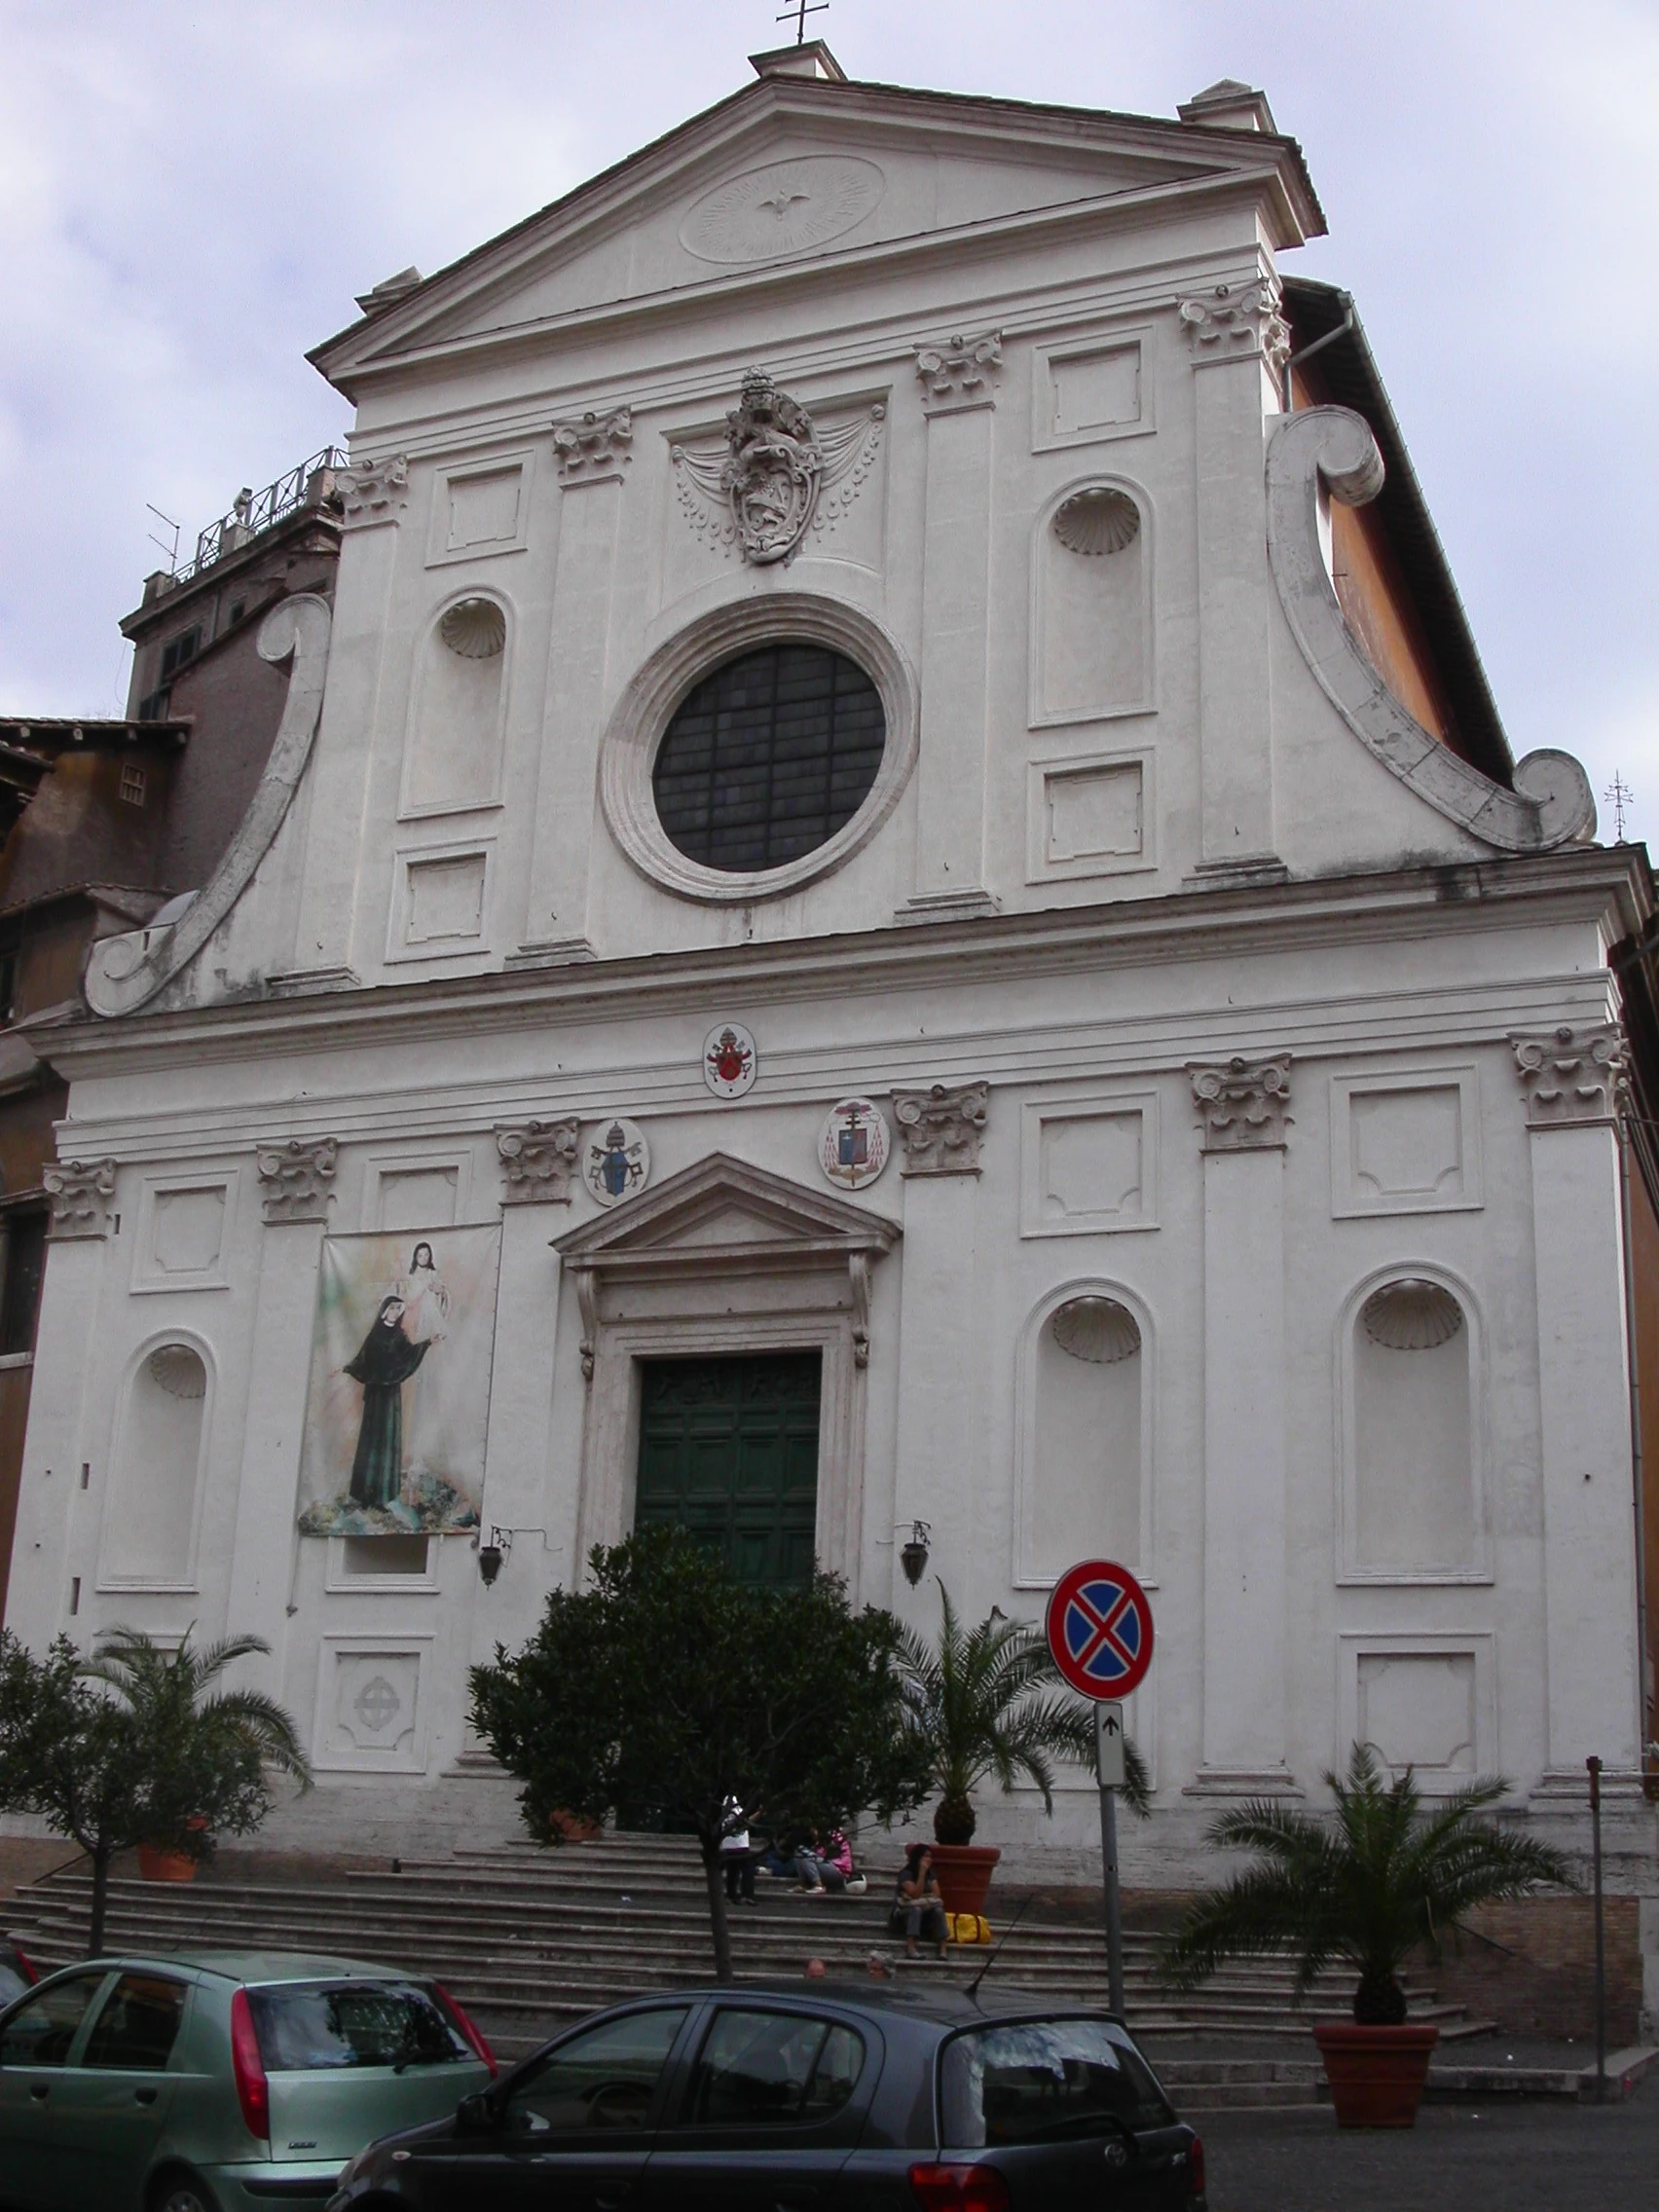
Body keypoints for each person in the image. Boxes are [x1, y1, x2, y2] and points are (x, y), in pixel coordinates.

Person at [344, 1296, 429, 1509]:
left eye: (398, 1310)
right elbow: (363, 1360)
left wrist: (426, 1343)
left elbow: (408, 1355)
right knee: (372, 1441)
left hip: (391, 1395)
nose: (395, 1313)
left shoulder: (399, 1335)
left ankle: (384, 1494)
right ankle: (364, 1494)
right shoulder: (374, 1336)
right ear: (385, 1310)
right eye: (392, 1308)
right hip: (375, 1396)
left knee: (388, 1439)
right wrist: (349, 1368)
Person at [890, 1842, 949, 1959]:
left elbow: (937, 1895)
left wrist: (922, 1895)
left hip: (925, 1914)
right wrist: (921, 1874)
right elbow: (916, 1894)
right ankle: (911, 1948)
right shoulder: (906, 1874)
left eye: (930, 1857)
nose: (928, 1860)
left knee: (938, 1910)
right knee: (916, 1909)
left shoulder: (930, 1874)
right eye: (925, 1856)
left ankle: (943, 1948)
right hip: (904, 1915)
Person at [393, 1240, 451, 1346]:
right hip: (413, 1313)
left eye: (426, 1254)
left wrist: (439, 1291)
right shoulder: (410, 1277)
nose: (424, 1258)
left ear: (430, 1256)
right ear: (416, 1257)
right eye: (420, 1255)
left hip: (430, 1315)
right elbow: (403, 1295)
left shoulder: (433, 1274)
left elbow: (443, 1293)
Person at [719, 1799, 756, 1905]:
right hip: (741, 1847)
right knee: (747, 1871)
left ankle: (731, 1895)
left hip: (728, 1848)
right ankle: (747, 1895)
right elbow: (748, 1821)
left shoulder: (723, 1816)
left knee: (732, 1872)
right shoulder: (740, 1812)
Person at [796, 1828, 853, 1896]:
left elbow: (823, 1855)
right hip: (828, 1866)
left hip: (840, 1870)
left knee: (806, 1856)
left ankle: (819, 1886)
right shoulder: (821, 1840)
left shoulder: (834, 1838)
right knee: (799, 1854)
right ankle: (803, 1885)